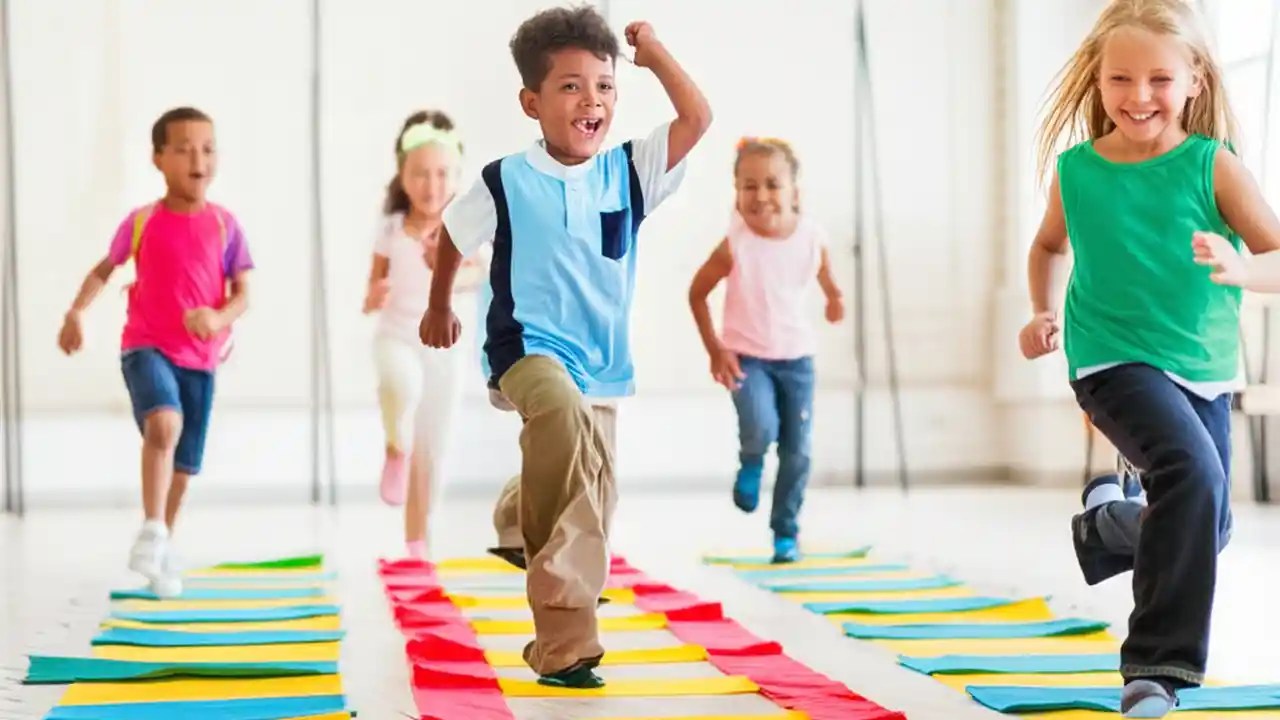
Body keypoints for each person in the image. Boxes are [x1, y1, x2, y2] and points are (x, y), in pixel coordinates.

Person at [419, 5, 711, 689]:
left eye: (605, 86)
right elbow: (452, 239)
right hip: (526, 349)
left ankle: (519, 522)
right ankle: (570, 640)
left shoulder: (630, 172)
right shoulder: (504, 181)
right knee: (565, 447)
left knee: (594, 505)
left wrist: (655, 52)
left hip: (602, 364)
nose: (592, 100)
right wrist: (437, 307)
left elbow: (697, 119)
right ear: (533, 102)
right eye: (572, 86)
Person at [1018, 1, 1280, 715]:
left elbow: (1276, 255)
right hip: (1108, 357)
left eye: (1159, 79)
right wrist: (1040, 311)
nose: (1139, 97)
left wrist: (1238, 266)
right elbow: (1047, 246)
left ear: (1195, 79)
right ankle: (1156, 669)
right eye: (1120, 79)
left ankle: (1107, 525)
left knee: (1207, 523)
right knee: (1190, 475)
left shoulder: (1212, 166)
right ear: (1097, 81)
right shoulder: (1077, 170)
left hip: (1200, 362)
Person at [58, 107, 253, 598]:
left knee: (184, 469)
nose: (197, 158)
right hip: (145, 347)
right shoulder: (143, 221)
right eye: (184, 148)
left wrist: (217, 318)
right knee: (164, 426)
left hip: (200, 359)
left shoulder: (226, 226)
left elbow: (243, 294)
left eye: (207, 148)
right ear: (158, 158)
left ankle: (160, 542)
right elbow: (106, 269)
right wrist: (76, 312)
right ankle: (151, 527)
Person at [687, 137, 844, 564]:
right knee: (760, 427)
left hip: (797, 361)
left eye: (772, 184)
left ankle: (785, 534)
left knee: (799, 450)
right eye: (748, 186)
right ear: (736, 194)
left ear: (796, 193)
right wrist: (715, 350)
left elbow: (824, 272)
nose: (760, 196)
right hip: (748, 357)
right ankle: (751, 460)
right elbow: (697, 293)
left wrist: (834, 298)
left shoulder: (812, 236)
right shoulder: (735, 243)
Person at [362, 110, 486, 559]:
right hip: (396, 336)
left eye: (441, 174)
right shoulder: (391, 228)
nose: (431, 185)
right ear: (403, 175)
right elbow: (370, 292)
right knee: (402, 385)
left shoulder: (466, 230)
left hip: (445, 352)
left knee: (432, 448)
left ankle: (418, 543)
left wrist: (449, 272)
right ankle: (395, 446)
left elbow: (480, 274)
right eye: (420, 174)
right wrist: (376, 293)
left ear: (455, 175)